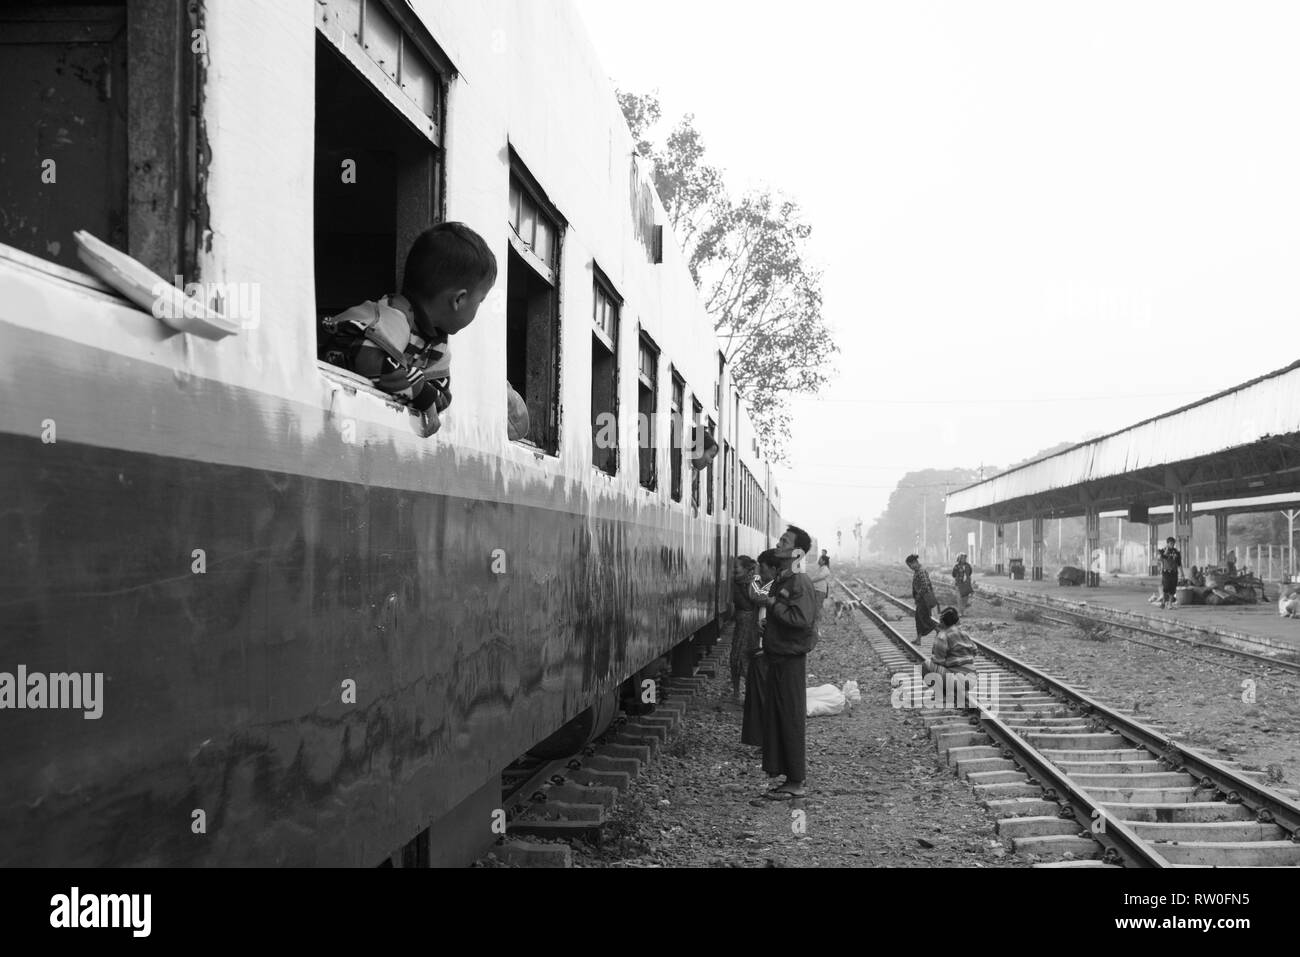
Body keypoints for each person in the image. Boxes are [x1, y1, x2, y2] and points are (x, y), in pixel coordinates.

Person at [320, 222, 497, 437]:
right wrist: (423, 396)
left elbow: (441, 395)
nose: (479, 307)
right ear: (458, 299)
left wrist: (424, 395)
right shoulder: (393, 315)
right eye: (480, 300)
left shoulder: (436, 344)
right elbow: (371, 362)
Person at [753, 525, 818, 799]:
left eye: (784, 541)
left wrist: (773, 606)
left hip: (790, 660)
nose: (778, 544)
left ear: (797, 552)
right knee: (779, 716)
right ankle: (788, 777)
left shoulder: (798, 582)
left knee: (789, 718)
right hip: (780, 656)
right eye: (780, 539)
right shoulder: (785, 578)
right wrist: (771, 627)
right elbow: (789, 618)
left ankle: (796, 782)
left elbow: (801, 620)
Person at [740, 549, 779, 748]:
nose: (760, 572)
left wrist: (754, 576)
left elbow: (756, 595)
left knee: (764, 692)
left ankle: (766, 741)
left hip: (767, 646)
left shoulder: (774, 585)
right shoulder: (775, 583)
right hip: (763, 642)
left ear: (772, 568)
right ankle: (765, 740)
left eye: (762, 568)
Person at [729, 556, 760, 698]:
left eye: (736, 567)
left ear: (747, 569)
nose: (734, 570)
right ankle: (736, 691)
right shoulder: (737, 582)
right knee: (735, 658)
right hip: (741, 625)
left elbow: (756, 600)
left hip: (749, 625)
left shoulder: (753, 582)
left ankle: (749, 693)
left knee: (746, 657)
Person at [922, 607, 977, 679]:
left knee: (926, 665)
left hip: (956, 678)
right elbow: (975, 650)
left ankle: (941, 686)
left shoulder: (943, 636)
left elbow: (938, 661)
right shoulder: (964, 633)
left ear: (942, 622)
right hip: (971, 677)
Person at [906, 554, 939, 645]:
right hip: (921, 599)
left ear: (914, 562)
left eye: (910, 565)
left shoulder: (921, 571)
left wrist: (919, 595)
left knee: (924, 617)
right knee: (918, 617)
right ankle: (918, 639)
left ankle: (938, 629)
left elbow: (925, 585)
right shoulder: (917, 571)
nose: (910, 568)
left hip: (924, 599)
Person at [1157, 537, 1183, 609]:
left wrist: (1182, 573)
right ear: (1167, 543)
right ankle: (1163, 602)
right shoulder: (1162, 550)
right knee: (1166, 587)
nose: (1172, 545)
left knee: (1172, 588)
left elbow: (1179, 564)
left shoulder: (1176, 552)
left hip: (1174, 572)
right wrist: (1166, 550)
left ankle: (1170, 604)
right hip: (1166, 572)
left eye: (1173, 543)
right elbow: (1162, 557)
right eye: (1171, 543)